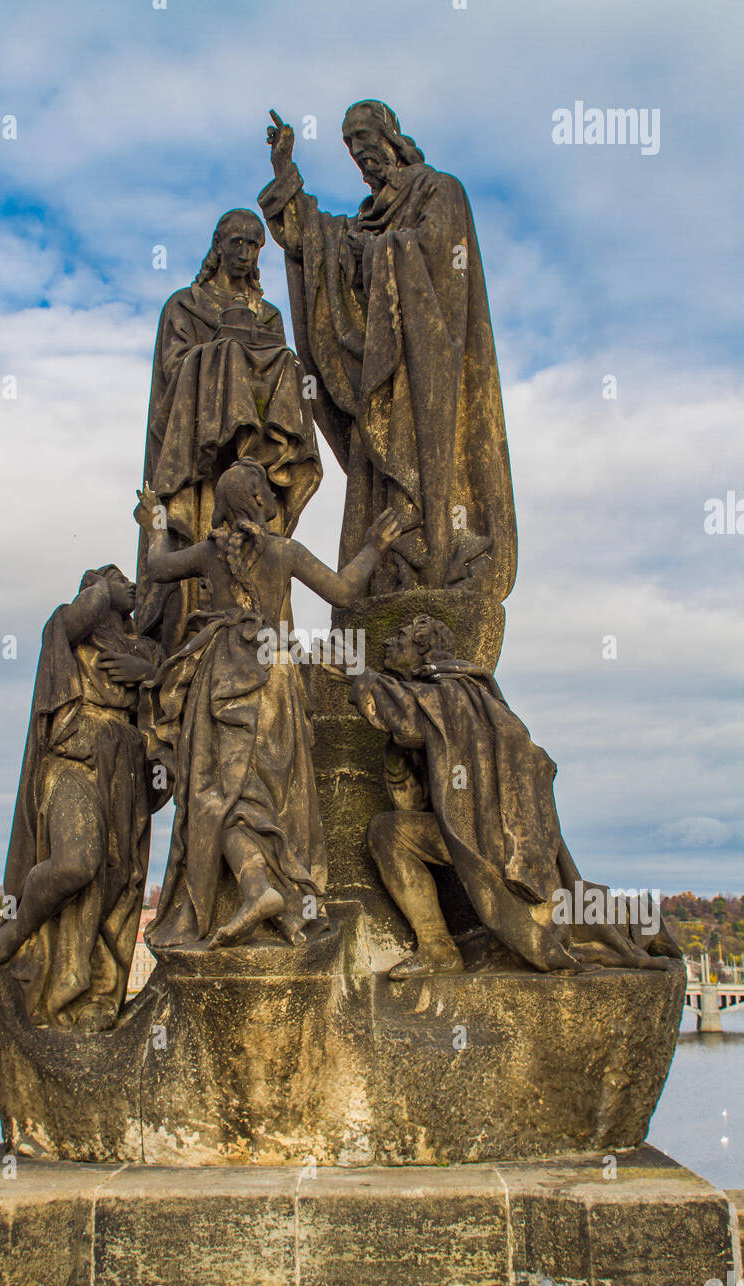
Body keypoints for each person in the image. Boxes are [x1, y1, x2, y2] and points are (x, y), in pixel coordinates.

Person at [135, 458, 401, 949]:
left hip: (225, 675)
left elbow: (157, 567)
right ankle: (266, 894)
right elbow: (343, 589)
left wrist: (154, 522)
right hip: (276, 674)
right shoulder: (286, 552)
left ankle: (259, 888)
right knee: (262, 797)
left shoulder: (209, 553)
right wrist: (373, 547)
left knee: (219, 796)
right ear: (260, 502)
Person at [259, 102, 516, 599]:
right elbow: (314, 241)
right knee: (375, 472)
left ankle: (431, 559)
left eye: (363, 138)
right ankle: (379, 577)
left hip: (425, 366)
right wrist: (285, 172)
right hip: (377, 373)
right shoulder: (364, 220)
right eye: (350, 145)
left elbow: (439, 252)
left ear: (390, 136)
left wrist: (377, 254)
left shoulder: (439, 190)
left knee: (423, 468)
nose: (359, 153)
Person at [342, 614, 680, 979]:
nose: (389, 642)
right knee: (390, 831)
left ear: (423, 647)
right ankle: (440, 947)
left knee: (388, 833)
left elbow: (407, 720)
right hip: (482, 828)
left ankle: (439, 949)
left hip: (493, 835)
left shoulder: (452, 690)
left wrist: (358, 673)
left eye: (400, 635)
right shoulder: (458, 690)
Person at [0, 567, 163, 1030]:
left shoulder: (143, 648)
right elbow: (65, 624)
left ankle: (95, 996)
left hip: (124, 763)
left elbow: (178, 688)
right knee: (77, 864)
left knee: (118, 879)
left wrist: (151, 673)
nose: (131, 587)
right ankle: (18, 930)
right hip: (75, 754)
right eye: (118, 579)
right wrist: (102, 588)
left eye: (129, 583)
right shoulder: (72, 628)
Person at [136, 208, 322, 650]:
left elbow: (282, 366)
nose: (244, 252)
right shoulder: (184, 304)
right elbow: (174, 369)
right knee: (232, 353)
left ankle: (262, 460)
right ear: (217, 246)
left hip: (255, 461)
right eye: (235, 242)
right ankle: (186, 636)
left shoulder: (269, 314)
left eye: (254, 245)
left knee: (287, 363)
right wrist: (225, 351)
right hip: (199, 456)